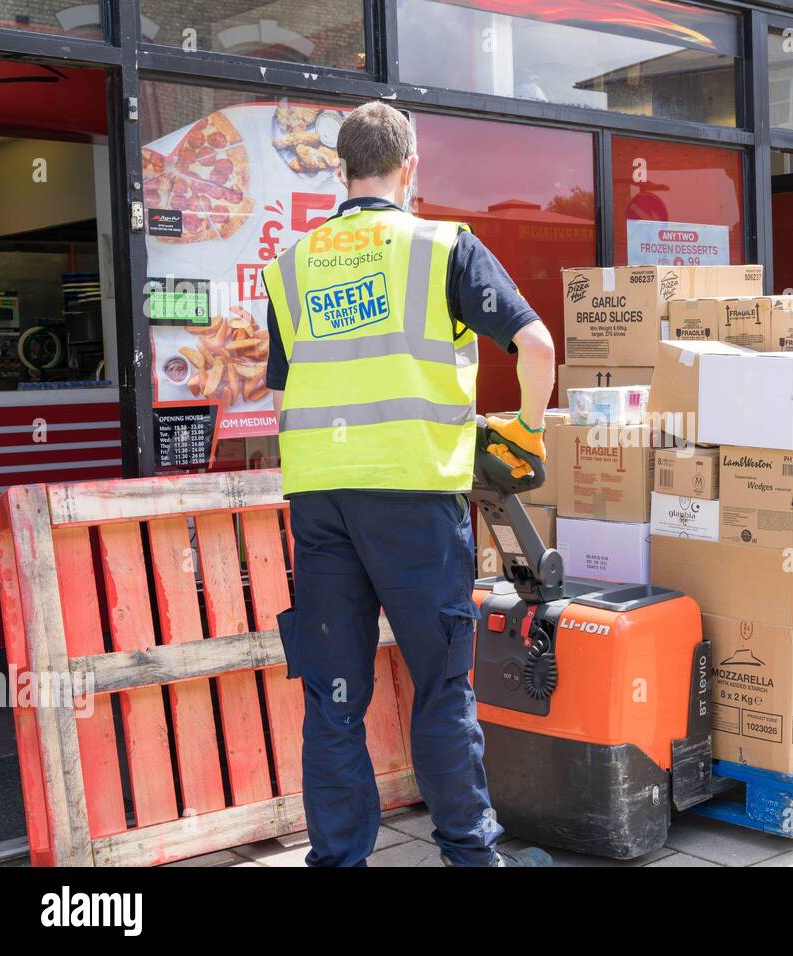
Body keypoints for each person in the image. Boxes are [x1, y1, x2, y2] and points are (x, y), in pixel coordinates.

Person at [261, 101, 556, 867]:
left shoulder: (290, 268)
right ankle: (468, 853)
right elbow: (536, 344)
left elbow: (282, 393)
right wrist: (525, 428)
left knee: (333, 696)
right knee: (439, 684)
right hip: (416, 498)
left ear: (339, 169)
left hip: (321, 502)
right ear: (410, 166)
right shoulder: (440, 247)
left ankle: (337, 861)